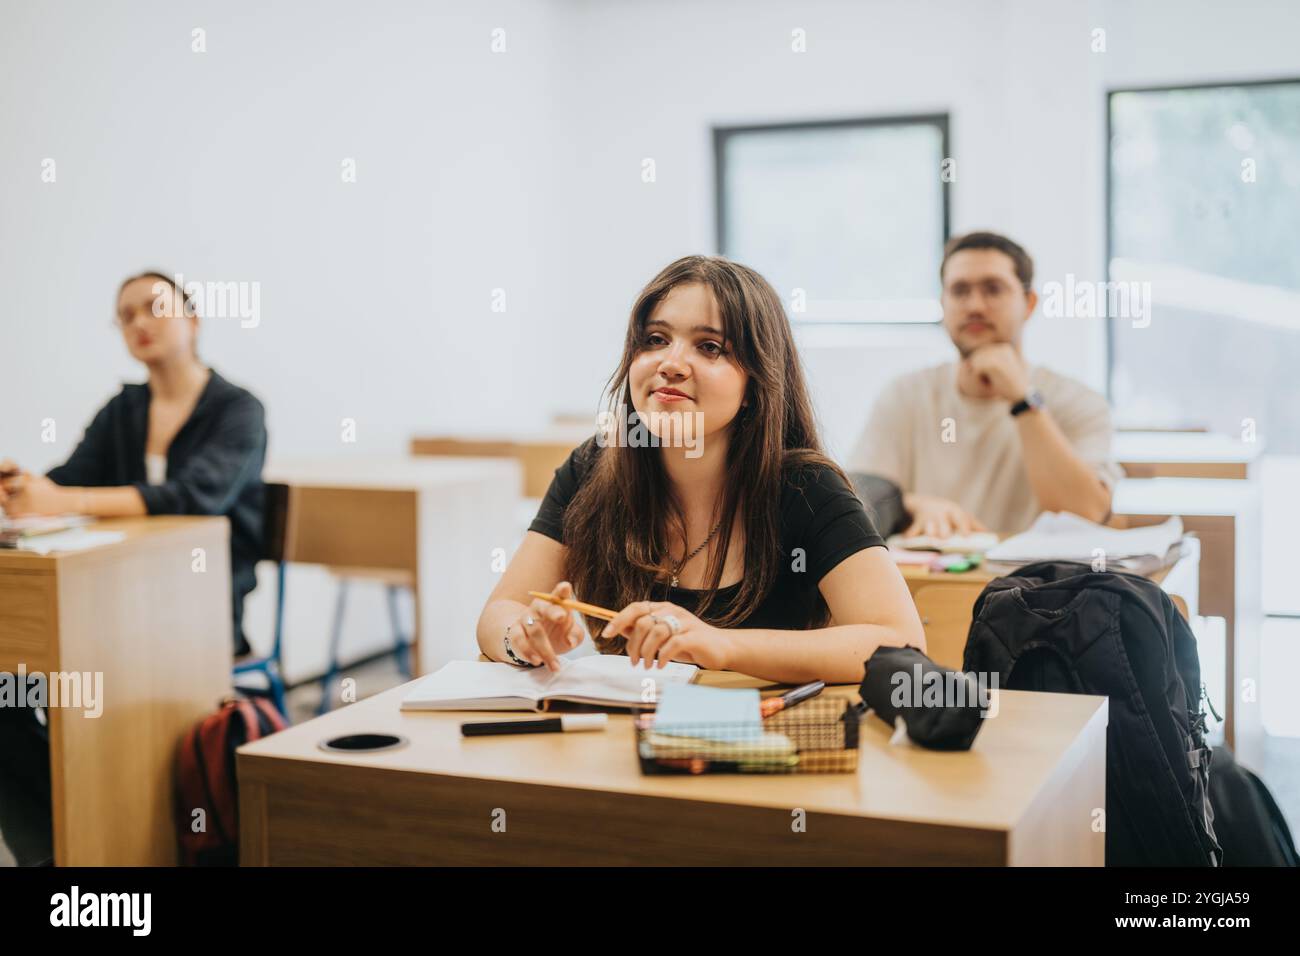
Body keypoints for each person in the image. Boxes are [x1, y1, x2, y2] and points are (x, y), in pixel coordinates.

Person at [476, 255, 924, 685]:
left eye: (709, 347)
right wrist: (524, 636)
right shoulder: (594, 467)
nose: (670, 364)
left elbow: (899, 641)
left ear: (754, 385)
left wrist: (718, 645)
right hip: (624, 741)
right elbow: (502, 611)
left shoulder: (805, 487)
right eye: (654, 339)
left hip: (762, 741)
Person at [0, 271, 267, 655]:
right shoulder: (123, 409)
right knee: (24, 641)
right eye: (126, 316)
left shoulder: (238, 410)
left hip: (203, 593)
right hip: (118, 580)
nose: (139, 322)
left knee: (77, 641)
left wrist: (66, 501)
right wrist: (23, 487)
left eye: (155, 309)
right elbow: (71, 477)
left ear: (192, 320)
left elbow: (191, 498)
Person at [849, 231, 1122, 537]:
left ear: (1029, 303)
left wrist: (1023, 401)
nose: (975, 305)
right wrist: (911, 505)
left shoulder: (1079, 403)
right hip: (924, 583)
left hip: (1035, 583)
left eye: (993, 289)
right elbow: (857, 505)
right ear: (943, 303)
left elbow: (1085, 516)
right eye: (960, 290)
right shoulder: (905, 394)